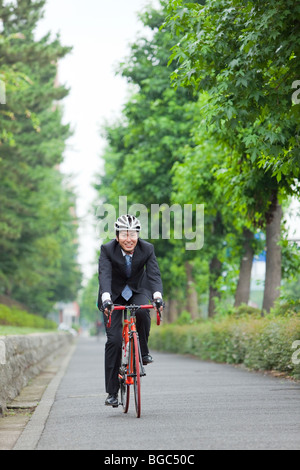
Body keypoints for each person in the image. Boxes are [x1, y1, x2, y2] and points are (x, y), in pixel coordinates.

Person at [97, 214, 164, 407]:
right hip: (113, 294)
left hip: (137, 290)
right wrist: (106, 298)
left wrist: (157, 296)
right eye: (124, 234)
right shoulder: (107, 250)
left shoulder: (147, 249)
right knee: (115, 340)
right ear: (117, 236)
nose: (129, 239)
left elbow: (153, 274)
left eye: (133, 234)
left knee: (143, 311)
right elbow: (105, 275)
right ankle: (112, 392)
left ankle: (142, 351)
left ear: (138, 235)